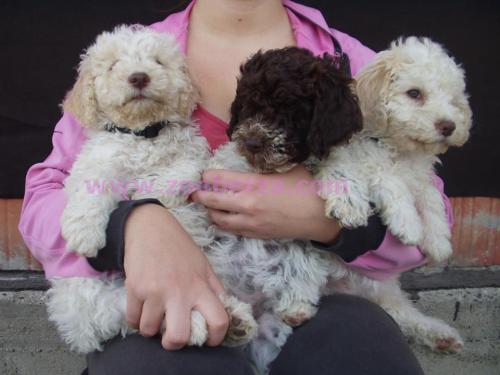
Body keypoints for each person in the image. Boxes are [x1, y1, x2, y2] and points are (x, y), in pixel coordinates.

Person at [19, 0, 452, 373]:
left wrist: (324, 221)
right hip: (168, 299)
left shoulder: (349, 61)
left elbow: (424, 210)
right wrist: (131, 228)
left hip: (311, 294)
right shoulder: (136, 54)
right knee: (155, 364)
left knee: (363, 350)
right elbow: (44, 198)